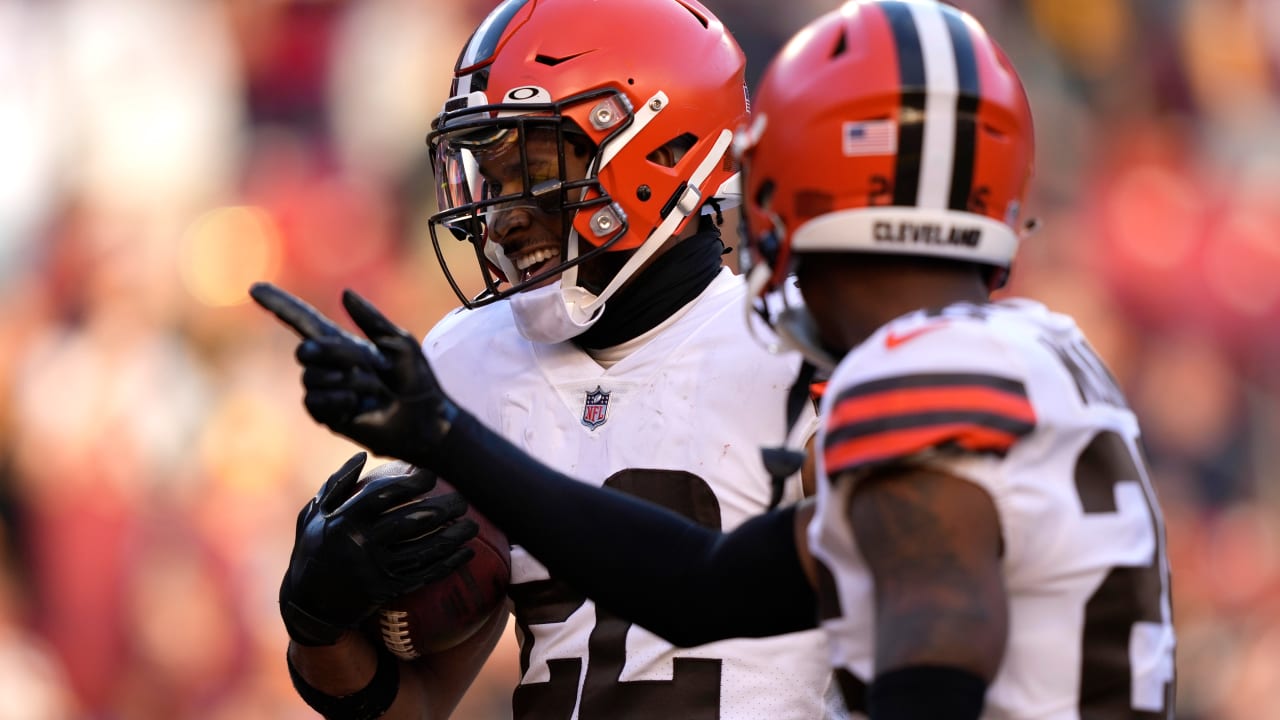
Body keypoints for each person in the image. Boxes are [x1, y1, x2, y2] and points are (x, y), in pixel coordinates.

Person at [254, 1, 1177, 718]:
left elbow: (928, 674)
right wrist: (438, 452)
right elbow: (702, 586)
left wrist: (449, 437)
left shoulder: (909, 384)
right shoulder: (1042, 359)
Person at [267, 0, 842, 718]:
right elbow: (409, 708)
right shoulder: (471, 359)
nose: (504, 213)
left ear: (662, 152)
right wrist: (318, 626)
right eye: (493, 175)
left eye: (535, 167)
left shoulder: (801, 350)